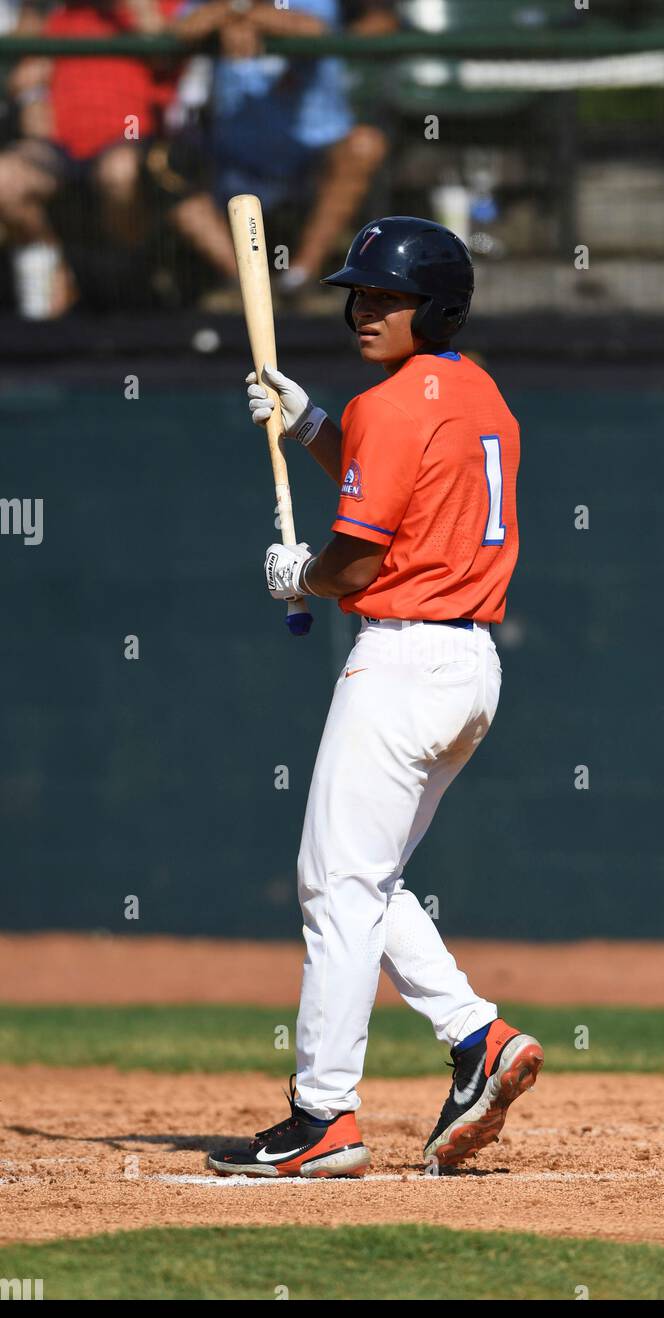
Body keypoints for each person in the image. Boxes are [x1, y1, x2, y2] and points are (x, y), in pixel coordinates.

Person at [207, 217, 543, 1180]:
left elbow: (357, 551)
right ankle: (478, 1037)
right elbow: (389, 475)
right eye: (358, 294)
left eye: (386, 297)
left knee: (334, 887)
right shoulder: (478, 395)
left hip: (401, 661)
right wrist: (311, 423)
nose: (364, 310)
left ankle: (323, 1114)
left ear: (435, 306)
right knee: (366, 877)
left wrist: (300, 576)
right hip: (467, 669)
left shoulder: (398, 403)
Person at [165, 0, 393, 302]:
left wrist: (244, 17)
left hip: (312, 159)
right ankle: (247, 288)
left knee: (363, 145)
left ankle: (300, 279)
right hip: (231, 165)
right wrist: (236, 10)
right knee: (165, 164)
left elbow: (313, 28)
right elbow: (182, 29)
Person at [0, 0, 178, 317]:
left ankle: (130, 289)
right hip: (59, 144)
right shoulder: (67, 12)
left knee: (120, 172)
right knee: (4, 178)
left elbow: (165, 54)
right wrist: (30, 98)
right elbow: (24, 77)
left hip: (130, 138)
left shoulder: (161, 8)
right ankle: (54, 273)